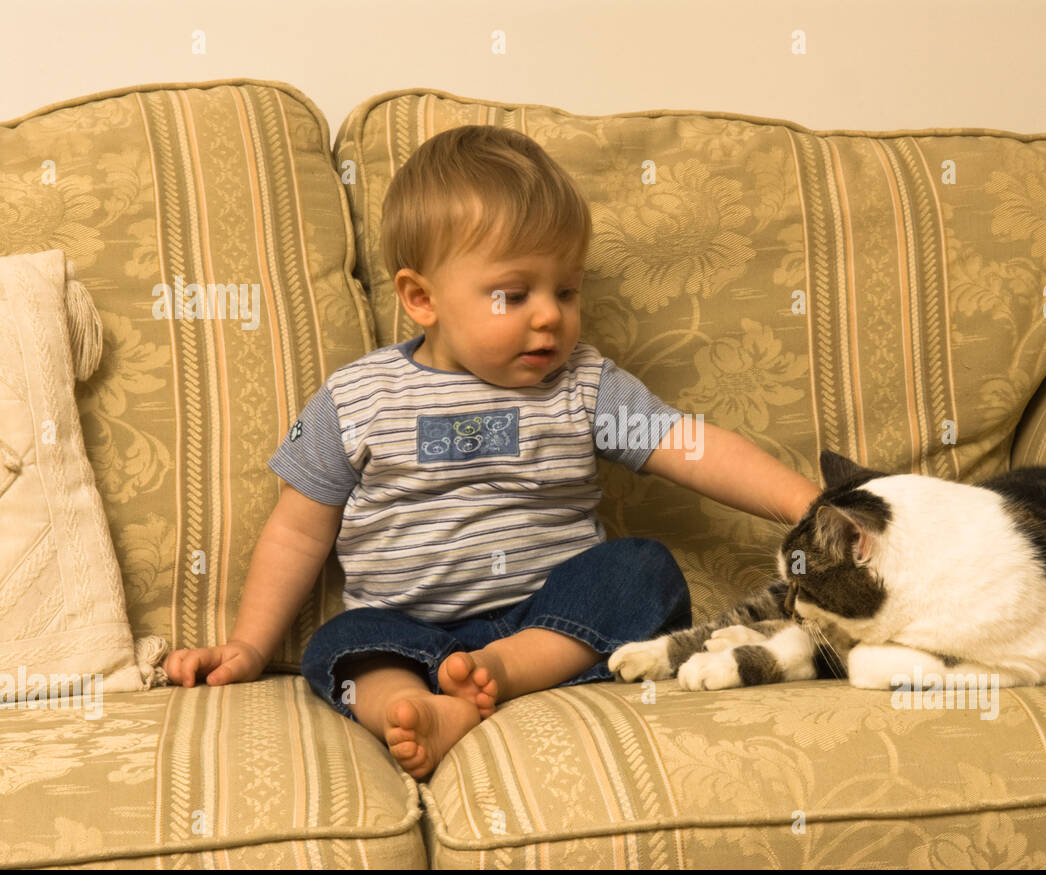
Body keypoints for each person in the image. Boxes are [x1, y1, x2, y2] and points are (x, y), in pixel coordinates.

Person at [163, 125, 822, 780]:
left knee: (642, 570)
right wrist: (248, 646)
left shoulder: (585, 384)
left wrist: (811, 503)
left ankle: (500, 673)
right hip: (405, 630)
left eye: (566, 290)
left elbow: (689, 444)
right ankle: (415, 709)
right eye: (515, 293)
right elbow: (296, 531)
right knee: (340, 642)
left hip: (548, 622)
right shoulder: (352, 399)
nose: (549, 316)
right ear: (422, 299)